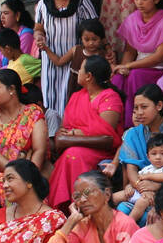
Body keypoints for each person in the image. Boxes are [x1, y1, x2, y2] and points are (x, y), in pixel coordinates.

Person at [48, 55, 123, 207]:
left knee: (74, 154)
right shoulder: (76, 96)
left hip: (101, 149)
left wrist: (75, 134)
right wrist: (67, 135)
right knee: (72, 153)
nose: (78, 71)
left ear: (88, 76)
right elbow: (64, 128)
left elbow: (106, 134)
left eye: (81, 69)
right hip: (74, 146)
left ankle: (82, 203)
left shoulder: (110, 97)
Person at [33, 0, 99, 132]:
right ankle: (53, 137)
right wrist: (39, 37)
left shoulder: (81, 2)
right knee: (51, 98)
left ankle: (70, 133)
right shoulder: (42, 4)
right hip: (50, 62)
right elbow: (38, 28)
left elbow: (93, 27)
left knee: (71, 96)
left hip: (76, 61)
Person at [112, 0, 163, 125]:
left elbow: (159, 57)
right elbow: (130, 52)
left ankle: (136, 124)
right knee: (117, 79)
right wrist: (122, 68)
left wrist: (129, 66)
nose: (139, 3)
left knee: (135, 76)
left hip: (161, 69)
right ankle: (117, 126)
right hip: (138, 67)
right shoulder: (132, 19)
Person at [0, 68, 47, 200]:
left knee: (34, 193)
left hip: (28, 172)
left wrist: (30, 177)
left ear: (11, 89)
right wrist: (13, 175)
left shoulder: (33, 113)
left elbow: (39, 150)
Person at [114, 83, 163, 204]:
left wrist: (156, 187)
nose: (139, 112)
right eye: (136, 108)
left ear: (159, 106)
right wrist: (143, 189)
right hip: (140, 189)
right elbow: (131, 170)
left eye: (144, 107)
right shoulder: (133, 134)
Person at [116, 133, 163, 224]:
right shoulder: (148, 168)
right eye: (154, 154)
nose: (158, 157)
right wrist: (129, 187)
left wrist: (148, 176)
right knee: (117, 195)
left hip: (152, 198)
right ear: (148, 157)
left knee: (142, 202)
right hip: (140, 192)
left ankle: (129, 222)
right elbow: (136, 179)